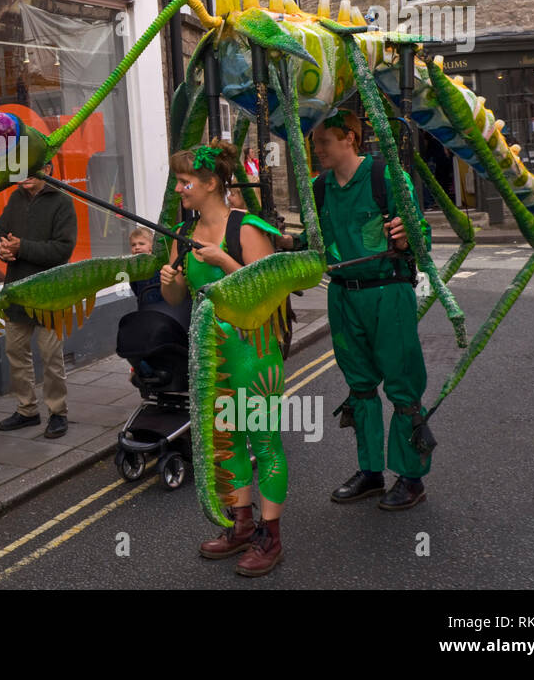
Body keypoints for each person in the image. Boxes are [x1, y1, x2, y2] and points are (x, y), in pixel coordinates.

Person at [278, 110, 432, 510]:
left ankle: (411, 477)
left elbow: (422, 239)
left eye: (324, 142)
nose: (318, 150)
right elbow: (315, 242)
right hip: (343, 295)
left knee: (402, 386)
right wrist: (287, 244)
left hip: (388, 292)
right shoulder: (320, 189)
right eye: (315, 144)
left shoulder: (386, 178)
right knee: (360, 387)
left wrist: (405, 238)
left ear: (350, 137)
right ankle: (370, 472)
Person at [161, 138, 287, 576]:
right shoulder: (183, 235)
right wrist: (168, 280)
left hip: (255, 349)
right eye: (178, 180)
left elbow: (270, 289)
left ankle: (270, 538)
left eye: (185, 180)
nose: (179, 188)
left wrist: (224, 260)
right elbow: (178, 296)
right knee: (226, 441)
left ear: (211, 183)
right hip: (211, 354)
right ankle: (241, 525)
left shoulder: (246, 228)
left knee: (266, 442)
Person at [0, 159, 77, 439]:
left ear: (48, 170)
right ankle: (27, 410)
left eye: (31, 170)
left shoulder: (62, 202)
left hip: (49, 294)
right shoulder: (15, 198)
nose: (24, 176)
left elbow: (62, 250)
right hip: (17, 292)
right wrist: (3, 249)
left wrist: (22, 247)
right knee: (15, 353)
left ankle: (58, 412)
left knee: (51, 356)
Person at [126, 227, 164, 309]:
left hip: (162, 307)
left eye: (141, 244)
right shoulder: (133, 269)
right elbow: (135, 288)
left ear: (151, 246)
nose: (137, 247)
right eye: (133, 245)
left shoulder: (159, 263)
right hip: (144, 307)